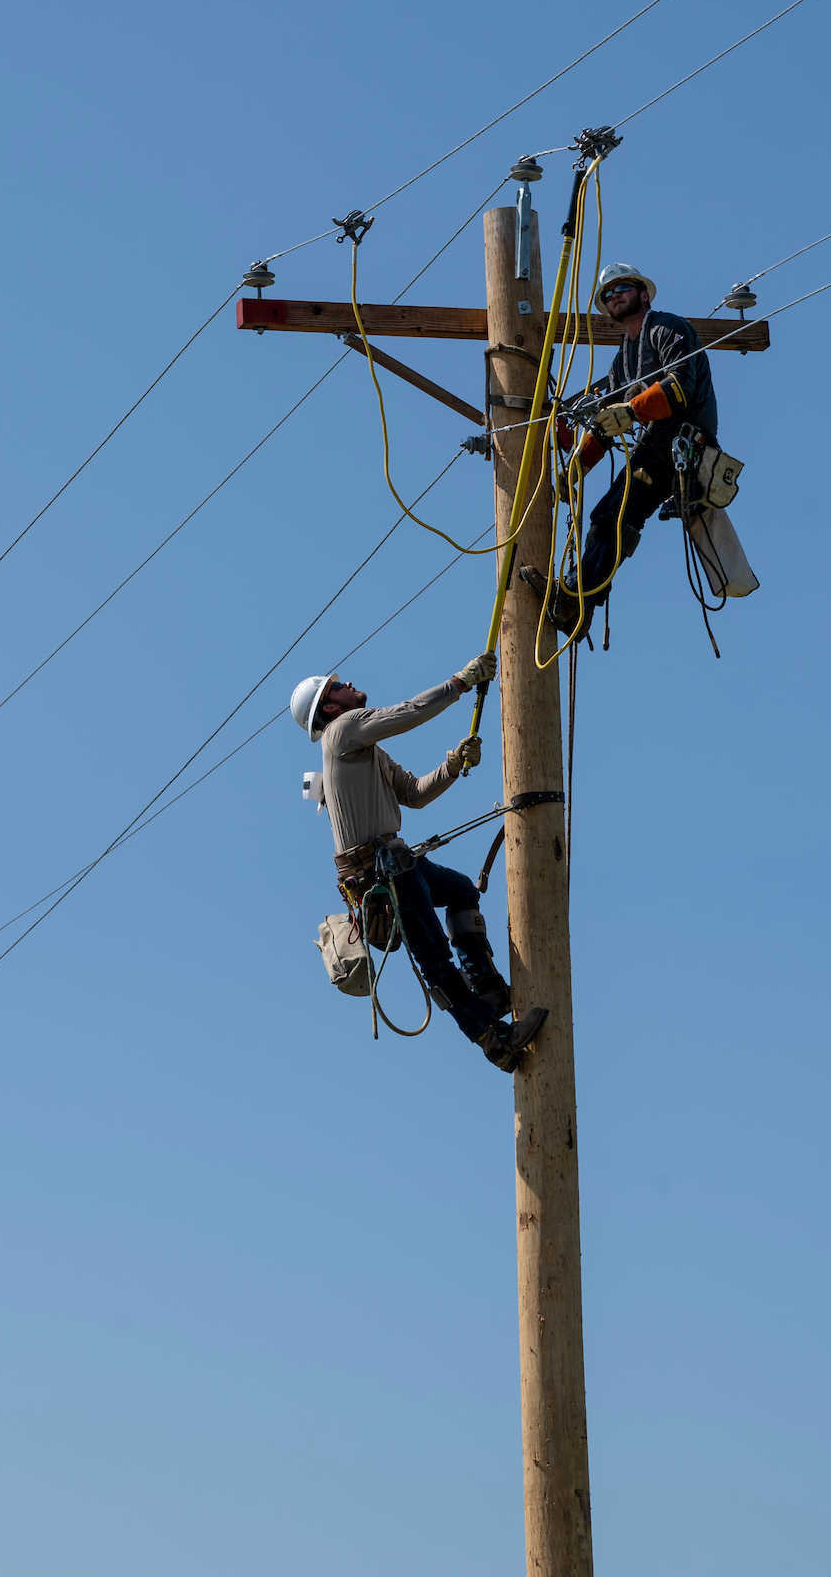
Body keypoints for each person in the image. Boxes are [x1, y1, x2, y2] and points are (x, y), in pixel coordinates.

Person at [289, 652, 547, 1072]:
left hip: (397, 860)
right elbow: (408, 712)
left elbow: (414, 794)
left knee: (462, 891)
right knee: (434, 958)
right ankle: (493, 1040)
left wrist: (452, 765)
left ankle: (487, 987)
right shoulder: (342, 731)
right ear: (330, 708)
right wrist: (460, 683)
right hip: (381, 871)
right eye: (336, 686)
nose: (346, 682)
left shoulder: (366, 750)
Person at [524, 262, 720, 643]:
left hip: (683, 440)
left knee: (617, 514)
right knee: (608, 515)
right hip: (657, 442)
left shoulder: (668, 328)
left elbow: (680, 387)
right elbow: (604, 423)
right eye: (608, 294)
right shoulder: (623, 359)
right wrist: (577, 468)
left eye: (622, 288)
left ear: (643, 294)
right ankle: (578, 606)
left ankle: (574, 596)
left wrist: (631, 411)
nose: (615, 296)